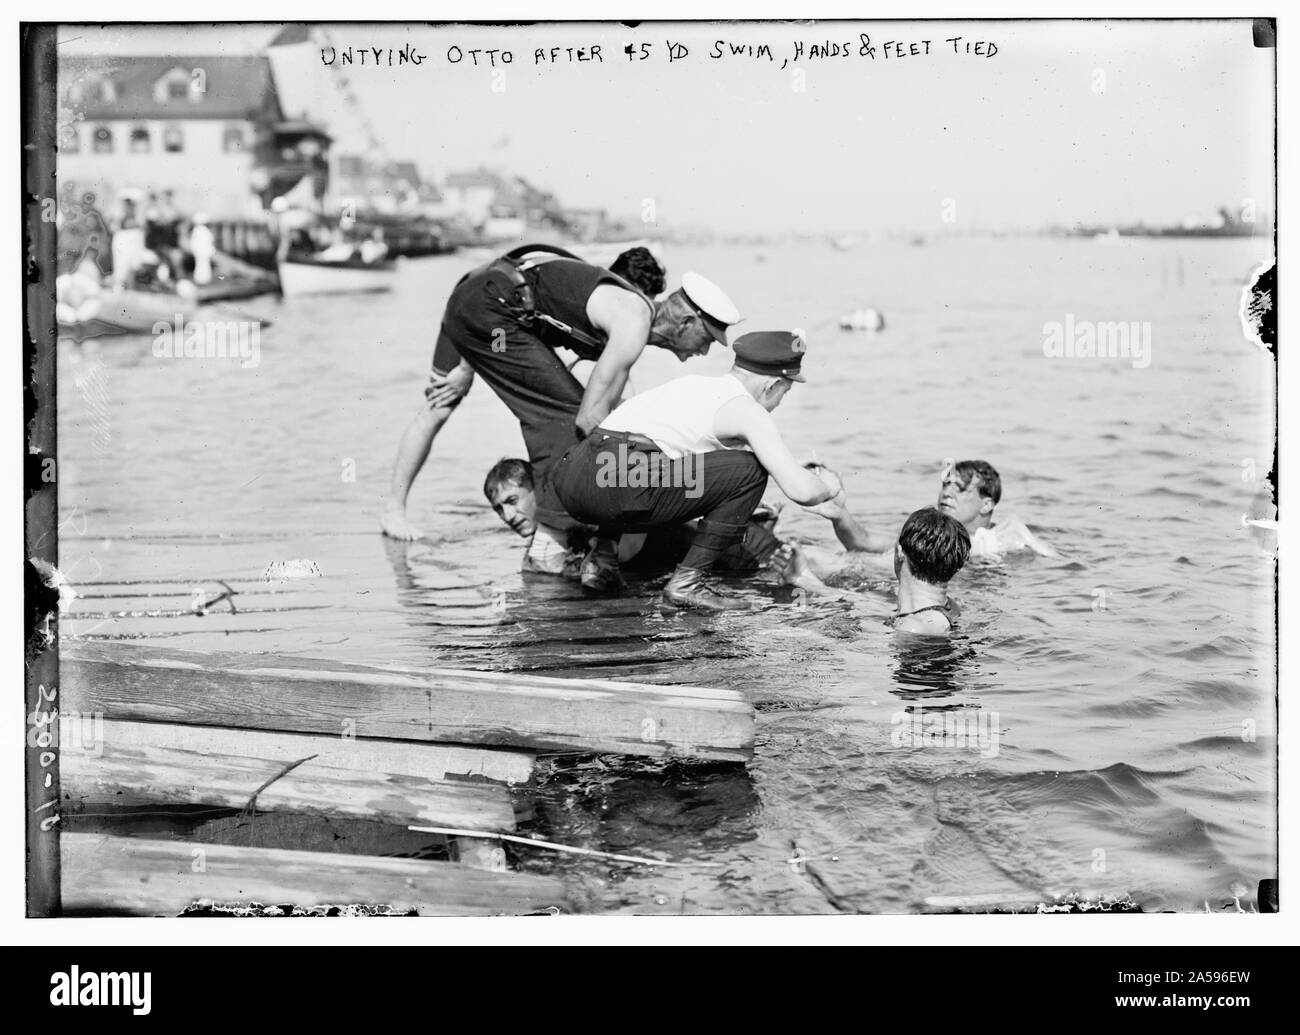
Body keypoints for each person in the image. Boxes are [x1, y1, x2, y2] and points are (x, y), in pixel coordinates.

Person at [380, 244, 741, 552]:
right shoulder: (633, 323)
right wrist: (670, 484)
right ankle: (549, 544)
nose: (704, 351)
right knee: (568, 416)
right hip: (489, 308)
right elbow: (588, 419)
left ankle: (393, 511)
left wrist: (472, 355)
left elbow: (567, 373)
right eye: (707, 339)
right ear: (685, 323)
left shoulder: (621, 316)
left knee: (439, 405)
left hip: (471, 297)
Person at [550, 331, 840, 610]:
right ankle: (688, 583)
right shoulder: (746, 409)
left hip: (573, 477)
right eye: (784, 393)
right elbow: (801, 491)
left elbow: (696, 460)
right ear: (772, 385)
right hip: (622, 482)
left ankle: (601, 559)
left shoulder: (693, 385)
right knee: (751, 473)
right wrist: (830, 485)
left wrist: (783, 466)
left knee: (640, 462)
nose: (779, 402)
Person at [483, 457, 782, 576]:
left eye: (512, 500)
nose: (508, 515)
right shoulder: (555, 535)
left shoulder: (578, 514)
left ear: (538, 490)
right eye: (499, 508)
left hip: (744, 555)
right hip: (713, 558)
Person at [810, 458, 1058, 563]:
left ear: (987, 504)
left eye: (960, 489)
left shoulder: (1007, 538)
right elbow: (863, 542)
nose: (946, 494)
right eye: (945, 486)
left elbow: (1057, 564)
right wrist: (840, 514)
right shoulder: (932, 534)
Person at [772, 506, 971, 636]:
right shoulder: (944, 607)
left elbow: (869, 645)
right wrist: (804, 578)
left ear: (900, 551)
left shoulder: (913, 628)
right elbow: (875, 608)